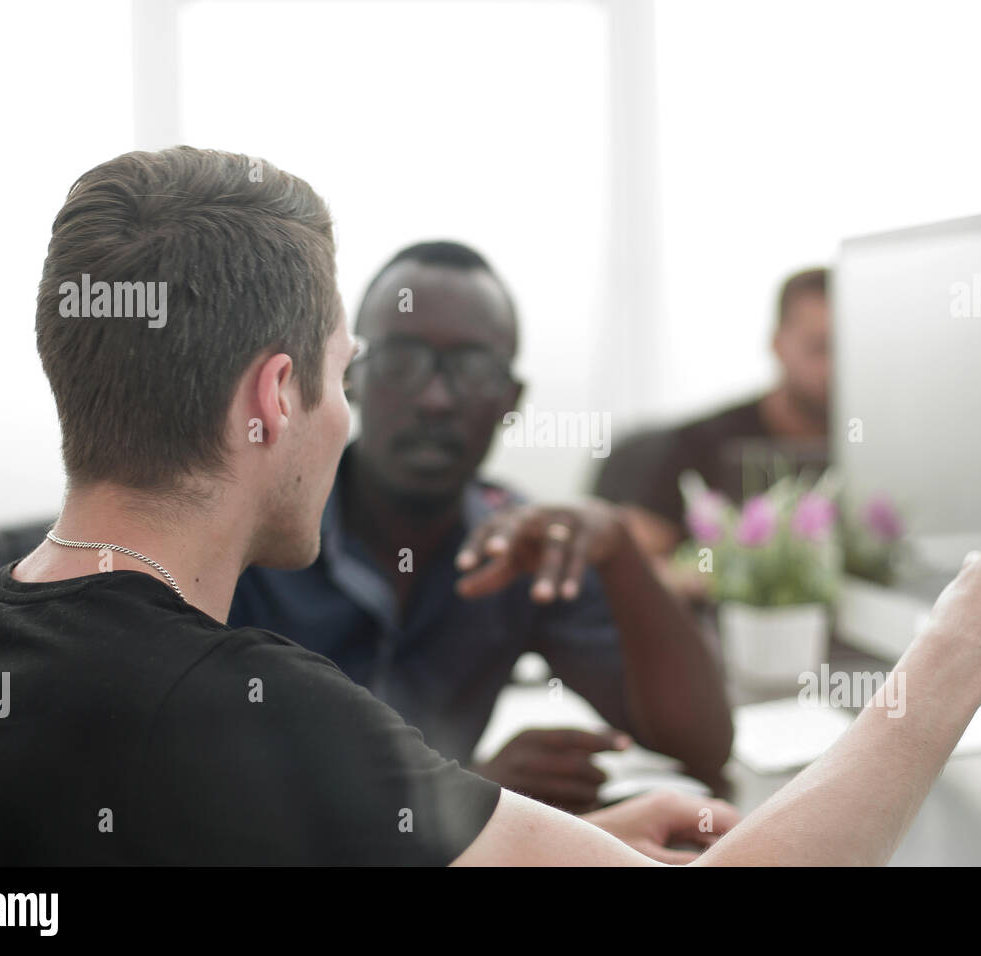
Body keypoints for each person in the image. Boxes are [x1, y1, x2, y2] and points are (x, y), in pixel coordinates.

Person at [0, 148, 981, 867]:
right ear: (274, 394)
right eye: (349, 372)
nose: (355, 415)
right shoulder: (243, 703)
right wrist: (952, 660)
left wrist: (527, 839)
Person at [228, 241, 734, 811]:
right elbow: (207, 789)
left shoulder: (519, 550)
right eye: (401, 359)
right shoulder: (259, 534)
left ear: (510, 402)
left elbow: (701, 745)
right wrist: (461, 791)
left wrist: (621, 552)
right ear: (352, 377)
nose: (436, 398)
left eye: (472, 369)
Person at [595, 267, 831, 565]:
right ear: (778, 345)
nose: (835, 368)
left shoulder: (873, 448)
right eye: (819, 348)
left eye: (850, 350)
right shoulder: (690, 450)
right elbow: (629, 566)